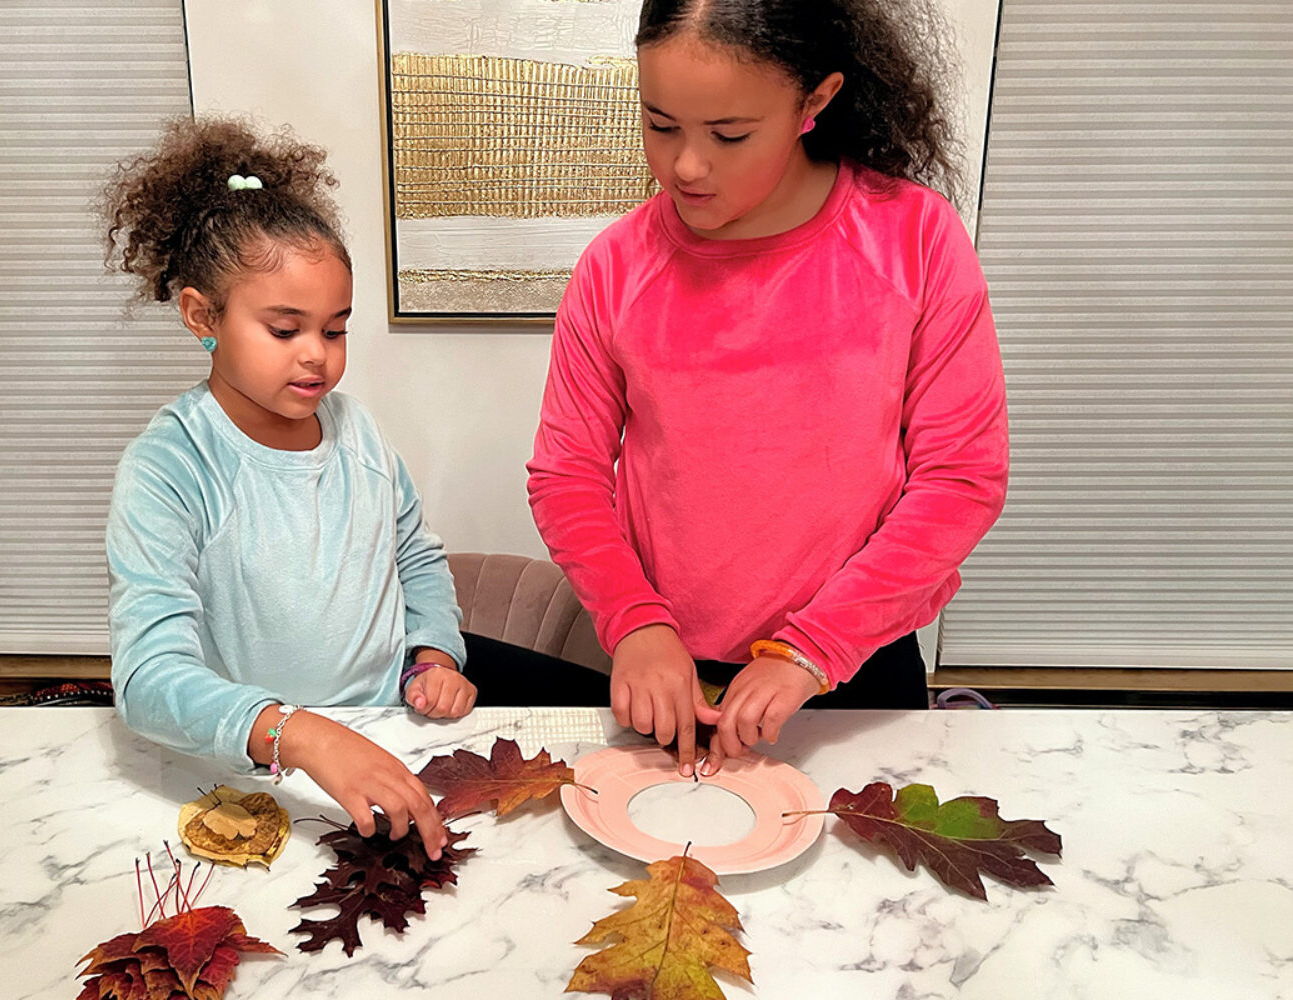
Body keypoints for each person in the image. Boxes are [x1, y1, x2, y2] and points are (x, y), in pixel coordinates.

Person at [527, 0, 1008, 777]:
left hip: (854, 667)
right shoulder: (615, 268)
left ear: (814, 101)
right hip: (669, 674)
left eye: (729, 135)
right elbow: (567, 475)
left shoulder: (915, 240)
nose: (686, 165)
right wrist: (635, 624)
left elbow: (961, 479)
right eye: (660, 124)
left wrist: (813, 650)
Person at [102, 118, 470, 859]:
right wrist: (297, 733)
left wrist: (434, 655)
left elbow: (416, 560)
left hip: (379, 741)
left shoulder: (357, 434)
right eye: (284, 330)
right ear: (202, 315)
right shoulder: (170, 468)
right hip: (251, 775)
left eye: (334, 331)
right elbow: (147, 678)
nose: (317, 357)